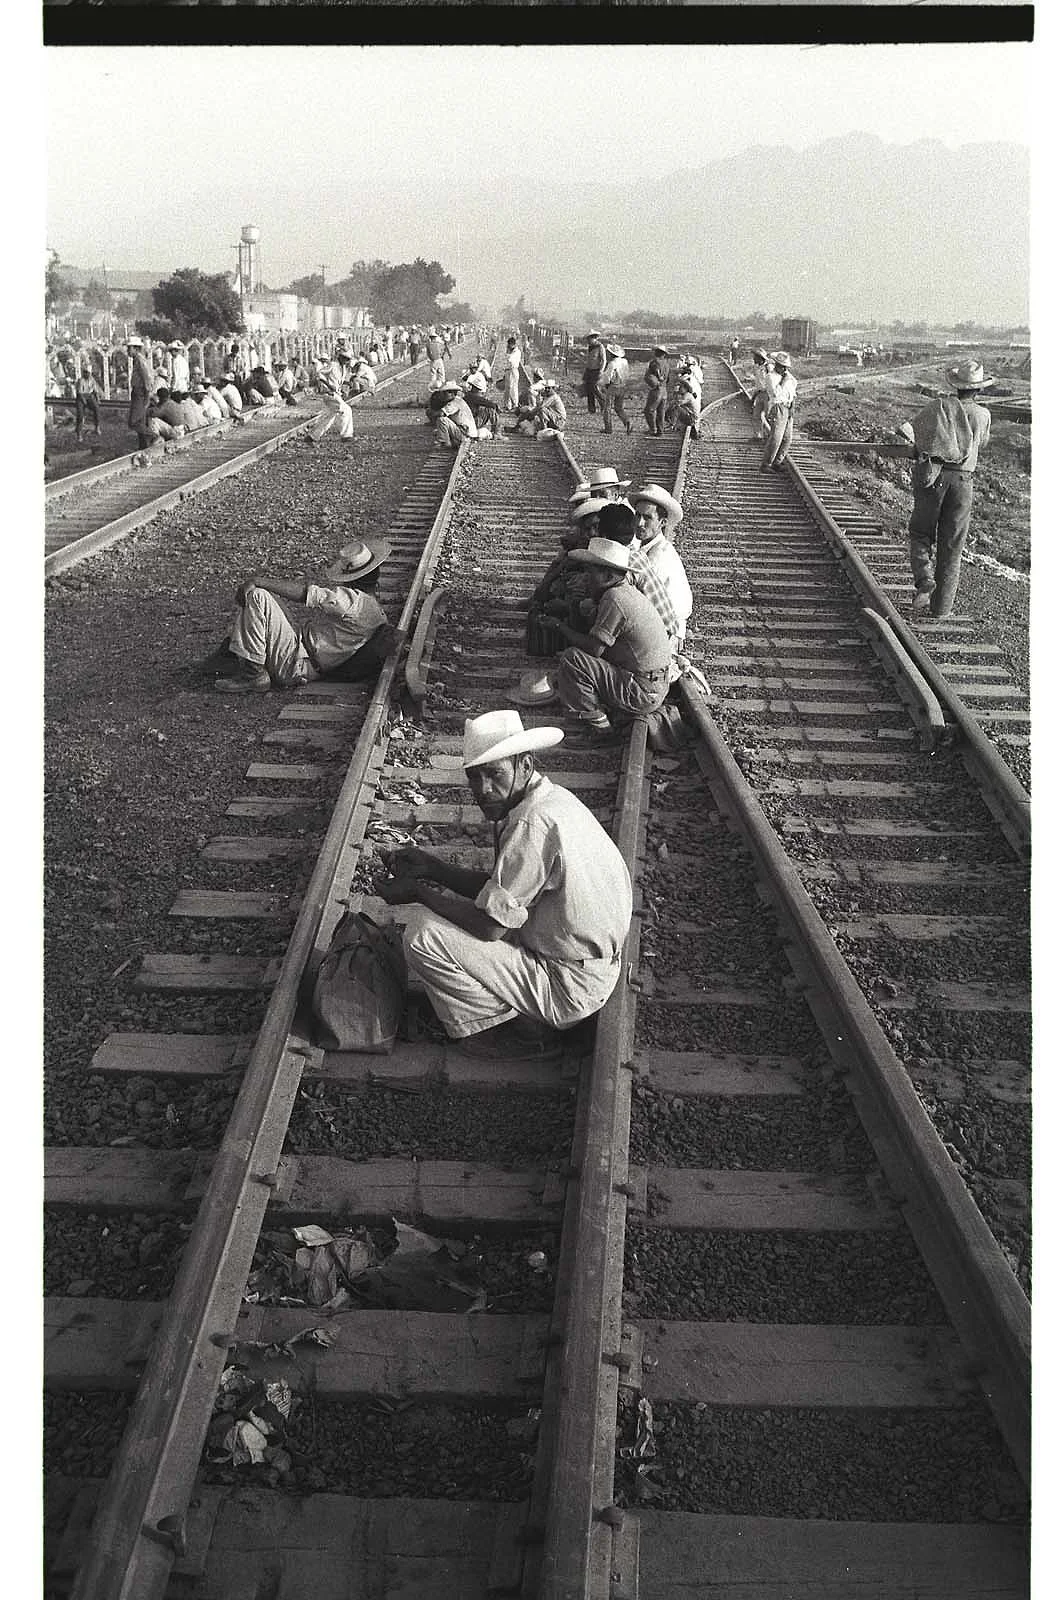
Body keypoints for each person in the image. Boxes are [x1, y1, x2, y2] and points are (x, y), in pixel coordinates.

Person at [374, 709, 633, 1058]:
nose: (483, 789)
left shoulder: (531, 825)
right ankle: (521, 1011)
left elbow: (491, 926)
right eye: (474, 777)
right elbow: (505, 896)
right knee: (453, 919)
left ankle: (522, 1032)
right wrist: (433, 869)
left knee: (422, 934)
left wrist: (419, 893)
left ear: (525, 765)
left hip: (568, 987)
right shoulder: (551, 801)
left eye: (494, 774)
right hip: (590, 969)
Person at [213, 539, 394, 694]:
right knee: (269, 598)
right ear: (375, 573)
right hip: (305, 657)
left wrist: (257, 581)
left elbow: (307, 594)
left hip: (296, 661)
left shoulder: (354, 602)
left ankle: (253, 675)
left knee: (258, 596)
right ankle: (239, 658)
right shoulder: (375, 610)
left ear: (351, 578)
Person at [548, 532, 672, 738]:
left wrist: (559, 626)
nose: (585, 578)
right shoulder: (623, 591)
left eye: (590, 572)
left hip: (642, 692)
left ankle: (600, 729)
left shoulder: (614, 599)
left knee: (572, 659)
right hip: (653, 684)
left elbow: (593, 650)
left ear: (607, 576)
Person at [897, 358, 993, 620]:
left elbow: (918, 440)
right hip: (963, 483)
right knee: (952, 545)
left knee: (920, 532)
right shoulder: (983, 415)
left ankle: (924, 578)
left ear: (956, 386)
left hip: (935, 477)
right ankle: (941, 609)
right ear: (979, 389)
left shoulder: (938, 408)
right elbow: (980, 444)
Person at [308, 349, 355, 444]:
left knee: (330, 416)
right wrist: (329, 385)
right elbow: (320, 374)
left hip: (336, 394)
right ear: (340, 357)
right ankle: (346, 435)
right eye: (344, 358)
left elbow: (337, 381)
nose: (346, 361)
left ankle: (313, 436)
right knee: (346, 410)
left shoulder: (343, 368)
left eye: (347, 359)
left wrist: (346, 383)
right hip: (329, 393)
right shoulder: (333, 365)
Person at [761, 351, 797, 469]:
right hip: (777, 407)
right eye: (781, 366)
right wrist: (783, 381)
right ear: (776, 365)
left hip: (788, 407)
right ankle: (767, 464)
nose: (784, 369)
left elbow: (793, 391)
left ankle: (777, 462)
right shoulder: (770, 377)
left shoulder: (788, 377)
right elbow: (775, 394)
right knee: (776, 437)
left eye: (785, 367)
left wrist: (792, 406)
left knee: (787, 438)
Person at [127, 335, 157, 450]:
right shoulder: (138, 359)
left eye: (129, 348)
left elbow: (147, 377)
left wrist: (147, 396)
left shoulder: (139, 360)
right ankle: (144, 448)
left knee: (133, 422)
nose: (128, 351)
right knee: (140, 422)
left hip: (140, 393)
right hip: (138, 392)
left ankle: (154, 436)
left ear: (136, 348)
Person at [597, 344, 632, 435]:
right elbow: (627, 374)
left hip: (613, 386)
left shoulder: (612, 363)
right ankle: (627, 421)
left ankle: (608, 428)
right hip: (622, 386)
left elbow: (608, 377)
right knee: (619, 408)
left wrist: (605, 385)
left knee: (607, 408)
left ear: (612, 354)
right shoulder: (625, 362)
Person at [643, 346, 671, 437]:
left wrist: (658, 378)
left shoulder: (654, 362)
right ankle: (660, 431)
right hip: (664, 390)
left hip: (657, 389)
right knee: (661, 412)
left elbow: (656, 371)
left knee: (649, 410)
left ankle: (652, 429)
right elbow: (668, 379)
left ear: (657, 353)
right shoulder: (666, 363)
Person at [463, 371, 501, 437]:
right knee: (490, 409)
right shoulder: (474, 397)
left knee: (484, 408)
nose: (480, 392)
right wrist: (497, 409)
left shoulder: (468, 395)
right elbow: (492, 404)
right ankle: (496, 432)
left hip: (466, 421)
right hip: (472, 423)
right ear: (476, 389)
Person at [74, 358, 103, 441]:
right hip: (81, 397)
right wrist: (84, 402)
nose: (87, 374)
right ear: (84, 373)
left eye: (89, 373)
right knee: (80, 415)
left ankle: (97, 427)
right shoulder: (81, 380)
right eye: (86, 373)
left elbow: (95, 390)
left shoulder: (91, 380)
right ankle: (79, 433)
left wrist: (97, 399)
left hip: (89, 396)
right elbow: (79, 393)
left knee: (97, 409)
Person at [582, 332, 607, 415]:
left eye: (589, 339)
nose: (588, 341)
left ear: (594, 338)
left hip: (596, 370)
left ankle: (604, 405)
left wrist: (601, 371)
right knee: (589, 390)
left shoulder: (600, 347)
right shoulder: (590, 347)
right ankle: (591, 409)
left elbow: (603, 360)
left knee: (595, 388)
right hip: (589, 370)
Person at [749, 350, 772, 439]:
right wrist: (754, 396)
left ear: (760, 358)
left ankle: (771, 436)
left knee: (768, 416)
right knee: (756, 415)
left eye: (755, 357)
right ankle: (759, 436)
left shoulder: (768, 368)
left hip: (768, 395)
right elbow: (758, 385)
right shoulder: (758, 368)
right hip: (759, 394)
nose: (754, 359)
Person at [504, 335, 522, 412]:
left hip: (513, 371)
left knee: (513, 388)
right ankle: (507, 406)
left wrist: (508, 353)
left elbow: (510, 360)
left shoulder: (517, 352)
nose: (508, 346)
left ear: (513, 344)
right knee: (507, 389)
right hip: (508, 371)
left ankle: (515, 405)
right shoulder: (511, 351)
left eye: (509, 345)